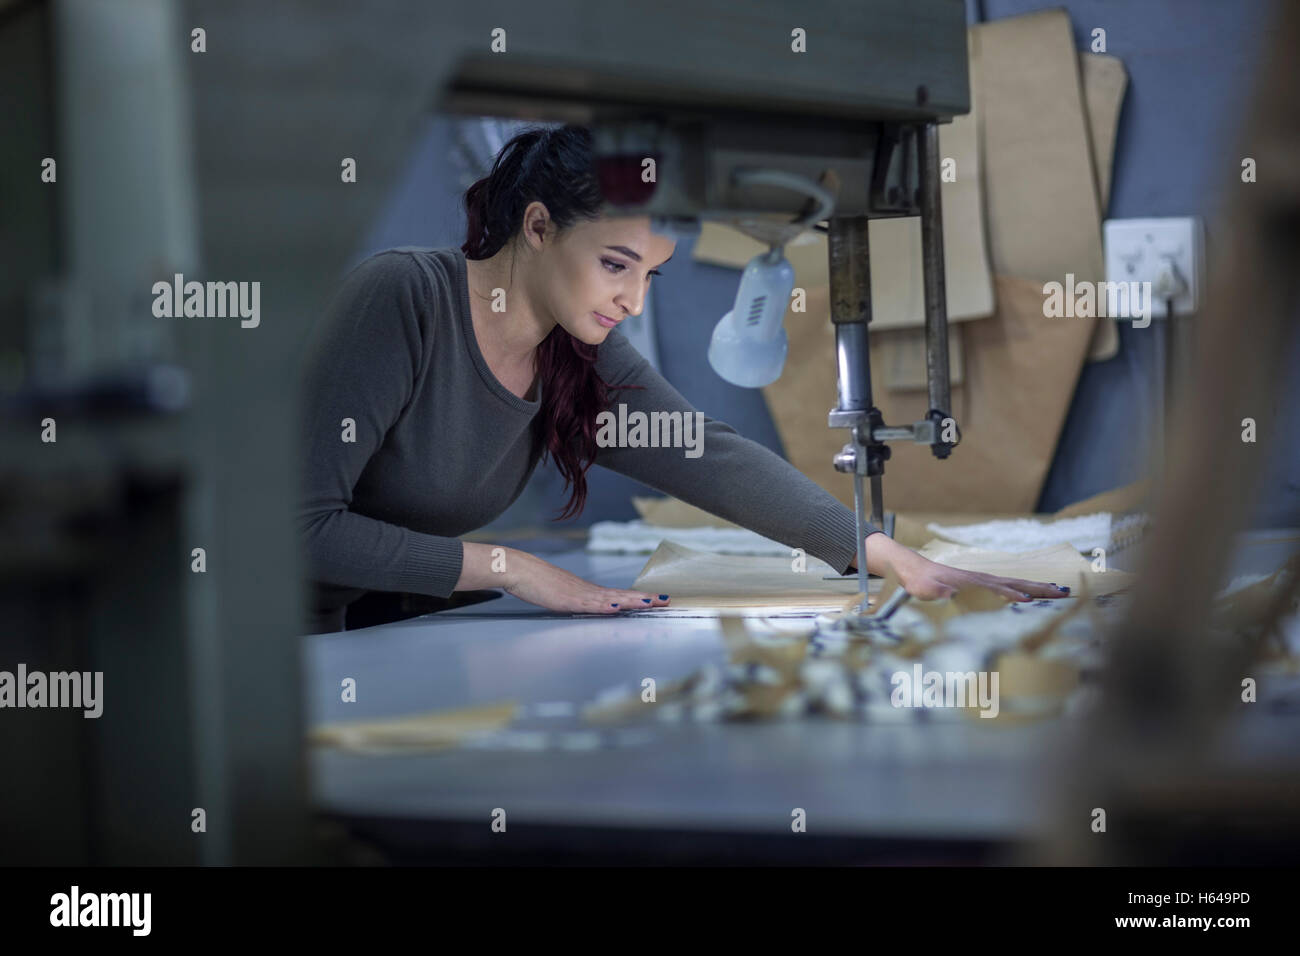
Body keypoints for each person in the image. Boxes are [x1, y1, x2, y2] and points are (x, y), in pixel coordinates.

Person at [297, 124, 1069, 633]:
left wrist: (889, 556)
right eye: (615, 265)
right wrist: (512, 568)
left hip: (379, 632)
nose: (632, 301)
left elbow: (709, 456)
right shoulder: (403, 298)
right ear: (537, 227)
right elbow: (298, 532)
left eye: (650, 276)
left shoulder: (577, 352)